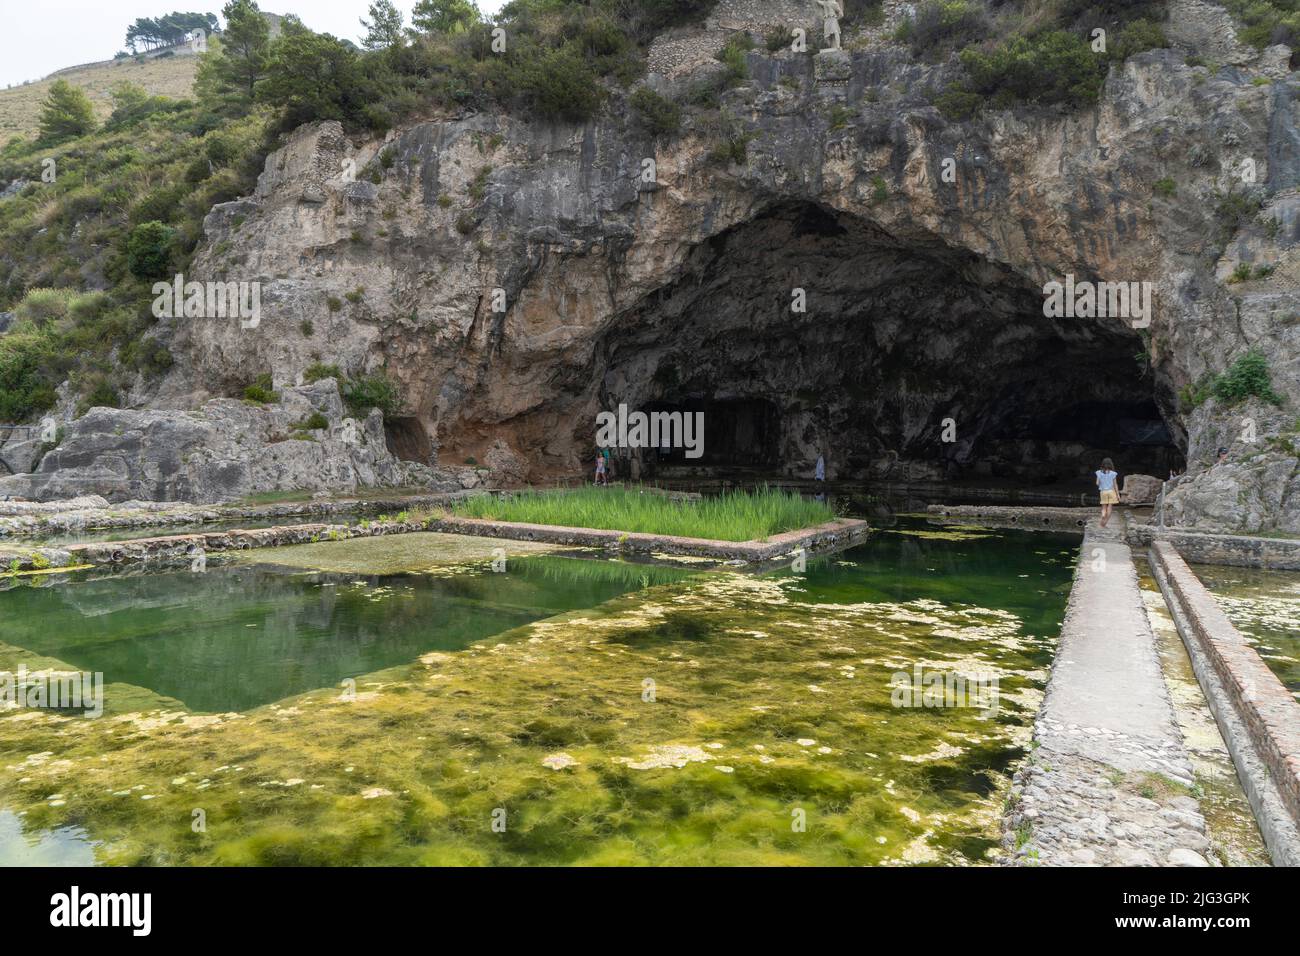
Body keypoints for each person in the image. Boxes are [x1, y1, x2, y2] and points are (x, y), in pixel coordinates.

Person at [1095, 457, 1119, 528]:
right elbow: (1115, 484)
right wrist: (1117, 494)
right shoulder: (1113, 473)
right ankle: (1104, 523)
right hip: (1111, 491)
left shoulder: (1098, 472)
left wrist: (1102, 483)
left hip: (1103, 492)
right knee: (1110, 507)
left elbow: (1097, 483)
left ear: (1103, 464)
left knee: (1104, 507)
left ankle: (1103, 515)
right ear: (1111, 464)